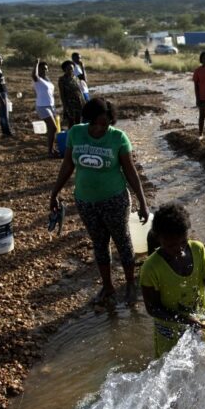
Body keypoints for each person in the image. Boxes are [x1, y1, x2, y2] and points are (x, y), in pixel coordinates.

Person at [49, 98, 149, 307]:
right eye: (96, 123)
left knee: (123, 242)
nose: (100, 128)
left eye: (105, 124)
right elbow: (67, 165)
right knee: (99, 244)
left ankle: (130, 284)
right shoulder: (76, 133)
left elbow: (130, 173)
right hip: (86, 202)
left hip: (115, 200)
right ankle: (107, 286)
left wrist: (142, 202)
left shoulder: (118, 138)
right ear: (89, 119)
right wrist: (54, 193)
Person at [140, 202, 205, 357]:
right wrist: (187, 320)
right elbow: (152, 308)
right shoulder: (151, 268)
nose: (179, 249)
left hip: (200, 323)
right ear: (159, 239)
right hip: (169, 332)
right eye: (171, 245)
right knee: (170, 367)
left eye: (183, 242)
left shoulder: (197, 249)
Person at [31, 59, 58, 157]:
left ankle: (52, 149)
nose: (44, 71)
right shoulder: (37, 80)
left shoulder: (47, 80)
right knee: (53, 127)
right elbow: (34, 75)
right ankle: (50, 151)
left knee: (52, 129)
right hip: (42, 106)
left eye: (46, 69)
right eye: (42, 69)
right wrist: (36, 64)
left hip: (51, 106)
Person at [58, 60, 86, 128]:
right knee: (71, 123)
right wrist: (65, 107)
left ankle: (77, 136)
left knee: (79, 121)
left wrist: (83, 102)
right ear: (64, 69)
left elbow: (80, 90)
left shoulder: (76, 78)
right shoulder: (62, 80)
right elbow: (62, 94)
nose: (71, 70)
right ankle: (71, 137)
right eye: (69, 68)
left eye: (72, 68)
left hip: (79, 102)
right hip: (70, 105)